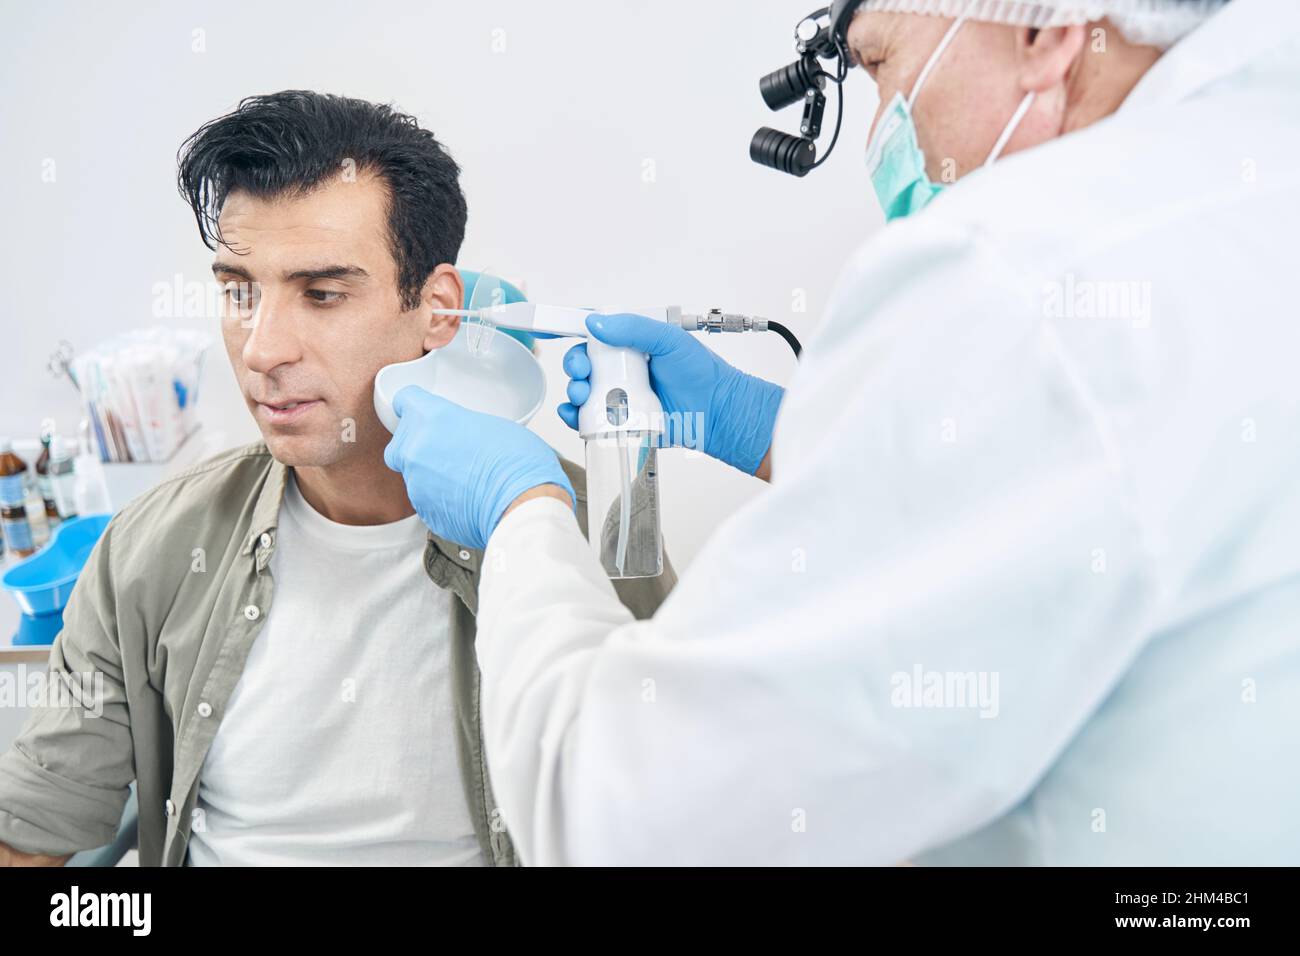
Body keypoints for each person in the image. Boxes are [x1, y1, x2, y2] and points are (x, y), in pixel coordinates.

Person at [384, 0, 1300, 864]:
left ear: (1043, 34)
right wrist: (767, 431)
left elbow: (629, 818)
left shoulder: (1023, 271)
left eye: (878, 66)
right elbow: (1062, 494)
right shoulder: (1250, 175)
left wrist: (522, 508)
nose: (879, 133)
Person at [0, 91, 674, 868]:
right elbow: (31, 836)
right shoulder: (153, 550)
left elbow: (688, 813)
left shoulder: (587, 532)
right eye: (239, 292)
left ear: (438, 310)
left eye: (322, 294)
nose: (261, 351)